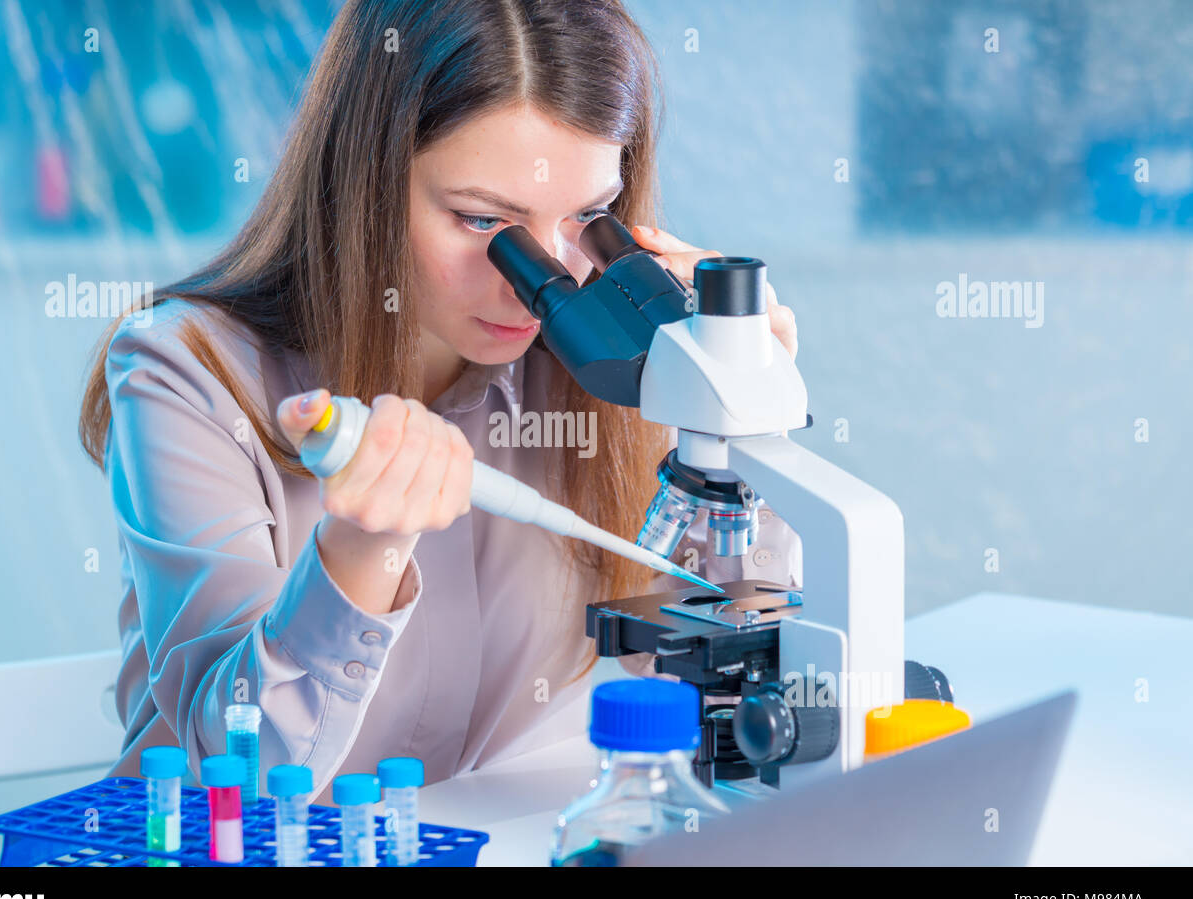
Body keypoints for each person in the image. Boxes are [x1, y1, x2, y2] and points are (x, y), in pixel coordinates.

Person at [78, 0, 801, 798]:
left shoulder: (603, 367)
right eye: (484, 219)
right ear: (367, 185)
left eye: (590, 218)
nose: (539, 280)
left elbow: (726, 680)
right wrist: (360, 552)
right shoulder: (187, 368)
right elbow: (234, 769)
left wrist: (739, 430)